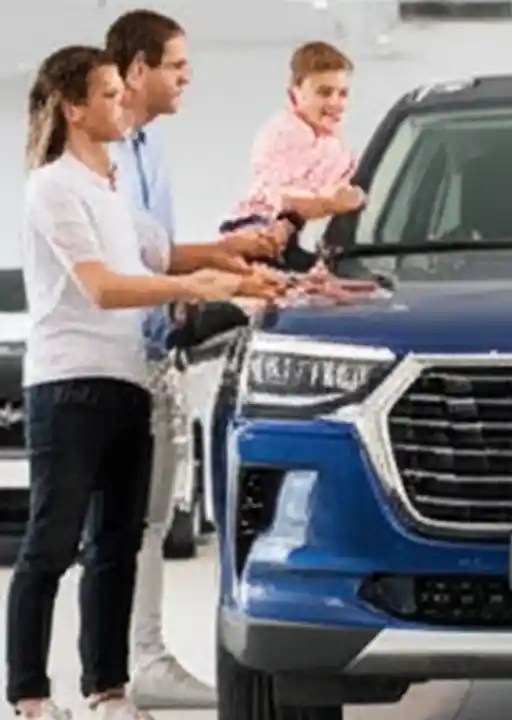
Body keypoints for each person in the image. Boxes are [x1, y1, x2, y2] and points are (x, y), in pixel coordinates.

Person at [3, 44, 248, 720]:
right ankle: (29, 694)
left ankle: (108, 691)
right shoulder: (51, 185)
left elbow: (162, 251)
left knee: (115, 548)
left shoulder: (110, 184)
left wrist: (256, 270)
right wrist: (185, 285)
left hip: (125, 382)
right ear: (74, 107)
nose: (123, 104)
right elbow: (103, 285)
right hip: (69, 385)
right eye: (110, 95)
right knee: (52, 544)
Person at [102, 10, 282, 708]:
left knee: (149, 520)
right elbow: (130, 255)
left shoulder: (149, 149)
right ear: (138, 69)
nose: (187, 79)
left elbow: (155, 247)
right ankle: (117, 670)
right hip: (111, 360)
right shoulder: (107, 152)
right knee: (116, 525)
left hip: (153, 350)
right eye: (177, 66)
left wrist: (220, 262)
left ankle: (139, 660)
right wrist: (221, 270)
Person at [225, 40, 365, 272]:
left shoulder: (336, 147)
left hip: (297, 235)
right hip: (257, 229)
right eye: (324, 92)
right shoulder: (285, 131)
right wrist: (330, 202)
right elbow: (279, 195)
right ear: (294, 94)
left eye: (342, 94)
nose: (335, 102)